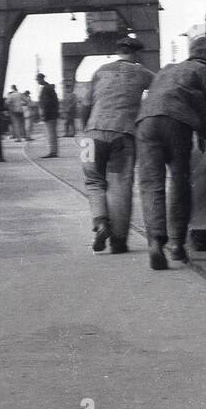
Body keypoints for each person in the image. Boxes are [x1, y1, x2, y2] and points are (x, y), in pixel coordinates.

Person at [136, 36, 206, 270]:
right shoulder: (202, 70)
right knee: (180, 183)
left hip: (145, 123)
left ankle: (155, 241)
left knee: (151, 184)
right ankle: (176, 245)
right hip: (175, 122)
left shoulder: (168, 69)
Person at [82, 38, 155, 255]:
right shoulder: (143, 73)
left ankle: (101, 222)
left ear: (118, 52)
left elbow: (86, 104)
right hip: (123, 135)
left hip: (92, 133)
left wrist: (84, 130)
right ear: (137, 54)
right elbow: (161, 91)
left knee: (93, 181)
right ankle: (119, 241)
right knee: (120, 186)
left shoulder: (100, 71)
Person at [37, 74, 60, 157]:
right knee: (52, 133)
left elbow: (46, 103)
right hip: (53, 114)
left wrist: (44, 114)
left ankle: (53, 152)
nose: (37, 81)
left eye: (38, 79)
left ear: (41, 79)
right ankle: (54, 151)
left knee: (51, 134)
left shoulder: (46, 88)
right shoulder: (49, 87)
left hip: (50, 115)